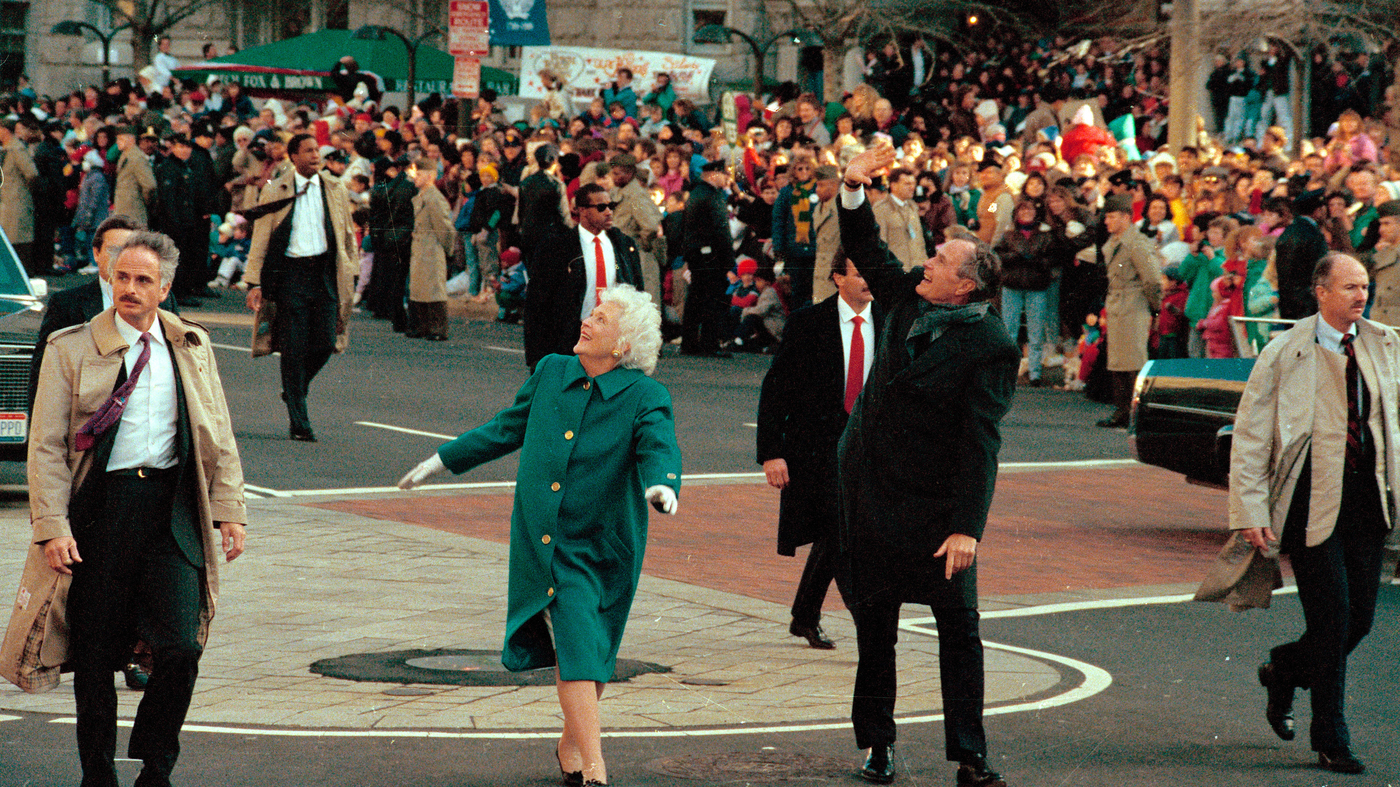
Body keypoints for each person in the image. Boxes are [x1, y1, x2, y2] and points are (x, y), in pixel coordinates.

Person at [396, 284, 681, 787]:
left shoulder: (646, 396)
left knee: (593, 649)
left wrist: (662, 483)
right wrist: (442, 459)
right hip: (548, 540)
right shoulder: (552, 370)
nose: (587, 321)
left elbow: (657, 444)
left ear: (622, 346)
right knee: (575, 641)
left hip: (607, 544)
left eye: (601, 319)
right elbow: (508, 427)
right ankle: (595, 768)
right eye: (590, 312)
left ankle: (571, 744)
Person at [8, 230, 247, 787]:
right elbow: (43, 446)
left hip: (171, 511)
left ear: (164, 287)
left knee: (182, 648)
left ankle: (155, 764)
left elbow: (220, 433)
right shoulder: (71, 347)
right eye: (122, 277)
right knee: (93, 658)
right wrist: (51, 527)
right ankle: (98, 774)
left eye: (144, 280)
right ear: (109, 279)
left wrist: (229, 508)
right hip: (100, 513)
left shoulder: (192, 344)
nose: (131, 289)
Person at [836, 144, 1016, 787]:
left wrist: (968, 527)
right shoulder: (908, 297)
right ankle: (877, 746)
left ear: (965, 284)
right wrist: (854, 188)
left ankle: (970, 754)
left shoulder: (991, 344)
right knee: (874, 630)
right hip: (870, 497)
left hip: (937, 513)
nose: (927, 261)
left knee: (960, 633)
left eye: (940, 258)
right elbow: (867, 247)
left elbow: (981, 443)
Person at [1201, 253, 1397, 776]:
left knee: (1357, 621)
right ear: (1321, 292)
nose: (1361, 296)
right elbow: (1251, 434)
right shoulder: (1285, 349)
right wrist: (1249, 507)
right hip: (1311, 504)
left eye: (1364, 286)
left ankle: (1284, 669)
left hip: (1368, 502)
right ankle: (1331, 737)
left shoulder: (1385, 343)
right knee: (1332, 622)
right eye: (1349, 287)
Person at [757, 254, 879, 650]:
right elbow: (777, 388)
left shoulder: (890, 323)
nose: (867, 280)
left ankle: (804, 616)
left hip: (867, 447)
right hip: (817, 447)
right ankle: (869, 625)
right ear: (838, 277)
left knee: (840, 531)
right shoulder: (809, 323)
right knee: (841, 532)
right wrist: (772, 453)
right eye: (859, 272)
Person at [243, 133, 358, 442]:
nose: (315, 155)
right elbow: (261, 237)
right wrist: (253, 281)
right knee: (293, 348)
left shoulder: (334, 188)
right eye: (308, 151)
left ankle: (296, 388)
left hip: (323, 273)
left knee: (325, 341)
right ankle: (300, 421)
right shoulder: (274, 189)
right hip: (291, 276)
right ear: (293, 157)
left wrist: (353, 271)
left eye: (317, 150)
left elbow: (347, 234)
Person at [523, 183, 644, 370]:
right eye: (601, 207)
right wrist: (536, 357)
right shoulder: (557, 247)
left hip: (611, 340)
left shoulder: (624, 245)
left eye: (611, 206)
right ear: (583, 211)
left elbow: (637, 294)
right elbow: (537, 304)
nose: (609, 212)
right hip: (570, 339)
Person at [1097, 193, 1163, 428]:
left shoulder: (1137, 243)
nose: (1107, 221)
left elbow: (1153, 280)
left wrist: (1156, 309)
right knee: (1118, 362)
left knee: (1133, 361)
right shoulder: (1115, 242)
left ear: (1126, 217)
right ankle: (1122, 410)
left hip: (1133, 303)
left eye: (1112, 217)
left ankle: (1134, 413)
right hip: (1118, 303)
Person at [681, 160, 737, 357]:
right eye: (725, 174)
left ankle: (689, 343)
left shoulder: (696, 193)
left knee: (695, 298)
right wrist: (729, 259)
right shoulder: (713, 196)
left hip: (697, 253)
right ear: (715, 174)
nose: (727, 179)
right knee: (712, 299)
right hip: (711, 255)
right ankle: (708, 343)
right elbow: (721, 229)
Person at [407, 164, 455, 340]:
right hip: (421, 247)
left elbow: (444, 228)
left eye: (418, 174)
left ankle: (438, 329)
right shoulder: (423, 195)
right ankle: (423, 326)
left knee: (434, 289)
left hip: (431, 247)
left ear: (429, 176)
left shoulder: (434, 198)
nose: (415, 177)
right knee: (420, 288)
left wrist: (448, 250)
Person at [1275, 191, 1328, 319]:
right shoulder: (1311, 233)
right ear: (1317, 210)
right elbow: (1319, 266)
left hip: (1288, 299)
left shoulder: (1289, 231)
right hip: (1307, 301)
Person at [0, 116, 38, 274]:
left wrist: (23, 191)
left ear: (5, 130)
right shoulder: (6, 149)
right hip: (6, 202)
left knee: (19, 241)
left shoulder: (16, 148)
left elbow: (31, 173)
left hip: (17, 202)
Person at [872, 167, 927, 272]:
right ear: (893, 185)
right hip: (897, 272)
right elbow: (880, 245)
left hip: (917, 269)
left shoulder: (912, 207)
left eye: (913, 183)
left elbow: (920, 242)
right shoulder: (881, 209)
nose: (912, 187)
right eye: (907, 184)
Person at [112, 126, 157, 228]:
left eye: (121, 139)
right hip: (124, 212)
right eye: (117, 139)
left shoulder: (137, 158)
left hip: (134, 213)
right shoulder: (125, 155)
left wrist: (141, 201)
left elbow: (150, 185)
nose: (118, 142)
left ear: (131, 140)